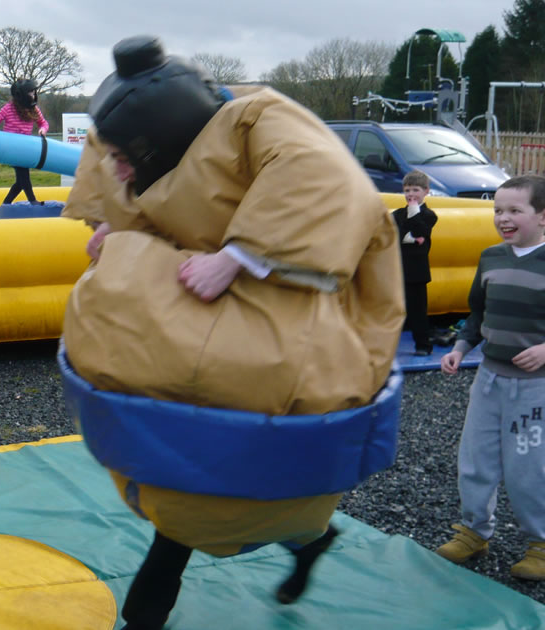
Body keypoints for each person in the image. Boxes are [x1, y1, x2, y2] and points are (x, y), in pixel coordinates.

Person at [60, 35, 404, 629]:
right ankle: (308, 543)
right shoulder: (157, 154)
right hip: (201, 345)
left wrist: (242, 256)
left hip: (277, 327)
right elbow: (119, 183)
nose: (117, 169)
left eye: (126, 156)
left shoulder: (252, 122)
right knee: (204, 504)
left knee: (194, 517)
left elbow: (324, 177)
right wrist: (106, 226)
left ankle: (299, 545)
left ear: (156, 136)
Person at [436, 174, 545, 581]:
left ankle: (540, 542)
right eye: (498, 210)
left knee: (528, 466)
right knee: (475, 458)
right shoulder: (491, 258)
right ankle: (474, 531)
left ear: (543, 216)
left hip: (535, 389)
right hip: (488, 380)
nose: (504, 218)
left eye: (516, 210)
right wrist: (460, 349)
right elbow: (477, 314)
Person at [0, 78, 49, 205]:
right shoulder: (9, 108)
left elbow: (43, 123)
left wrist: (42, 130)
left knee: (20, 181)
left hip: (24, 148)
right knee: (24, 173)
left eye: (34, 93)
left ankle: (6, 204)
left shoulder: (34, 109)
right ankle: (33, 201)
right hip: (10, 148)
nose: (33, 96)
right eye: (31, 93)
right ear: (21, 95)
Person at [393, 170, 438, 356]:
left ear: (426, 191)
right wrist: (410, 236)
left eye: (415, 190)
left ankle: (423, 345)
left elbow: (421, 231)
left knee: (418, 310)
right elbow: (397, 235)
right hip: (397, 269)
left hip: (416, 271)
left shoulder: (429, 215)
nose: (410, 194)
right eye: (407, 190)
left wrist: (413, 214)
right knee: (393, 309)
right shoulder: (397, 214)